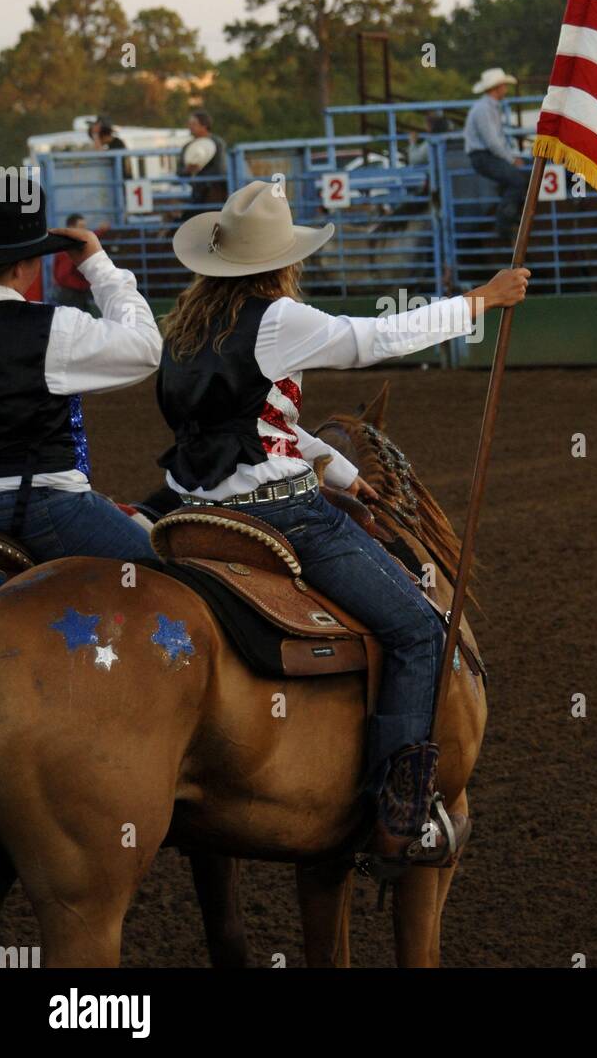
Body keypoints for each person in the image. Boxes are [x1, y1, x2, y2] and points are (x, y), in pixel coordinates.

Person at [157, 179, 530, 865]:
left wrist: (332, 465)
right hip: (276, 515)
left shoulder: (185, 326)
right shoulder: (278, 318)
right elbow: (376, 338)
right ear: (281, 261)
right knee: (420, 629)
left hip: (187, 507)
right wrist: (480, 301)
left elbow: (253, 424)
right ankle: (400, 804)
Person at [0, 172, 161, 562]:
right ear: (26, 266)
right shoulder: (54, 327)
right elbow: (145, 347)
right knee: (173, 580)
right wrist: (99, 267)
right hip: (44, 508)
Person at [464, 67, 530, 245]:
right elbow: (493, 141)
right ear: (497, 87)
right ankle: (504, 224)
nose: (505, 89)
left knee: (516, 177)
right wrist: (511, 158)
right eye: (503, 86)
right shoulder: (485, 109)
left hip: (485, 155)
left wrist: (511, 156)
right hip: (483, 156)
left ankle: (510, 216)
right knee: (517, 180)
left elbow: (495, 141)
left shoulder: (488, 107)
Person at [52, 213, 107, 313]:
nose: (84, 230)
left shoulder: (71, 244)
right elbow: (63, 276)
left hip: (76, 292)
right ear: (71, 227)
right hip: (71, 294)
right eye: (81, 227)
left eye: (84, 227)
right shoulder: (68, 248)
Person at [178, 110, 228, 214]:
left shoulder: (217, 143)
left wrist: (198, 175)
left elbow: (220, 169)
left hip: (215, 191)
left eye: (194, 124)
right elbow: (179, 171)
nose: (190, 127)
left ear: (204, 126)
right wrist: (187, 171)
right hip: (197, 192)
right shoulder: (187, 147)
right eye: (190, 124)